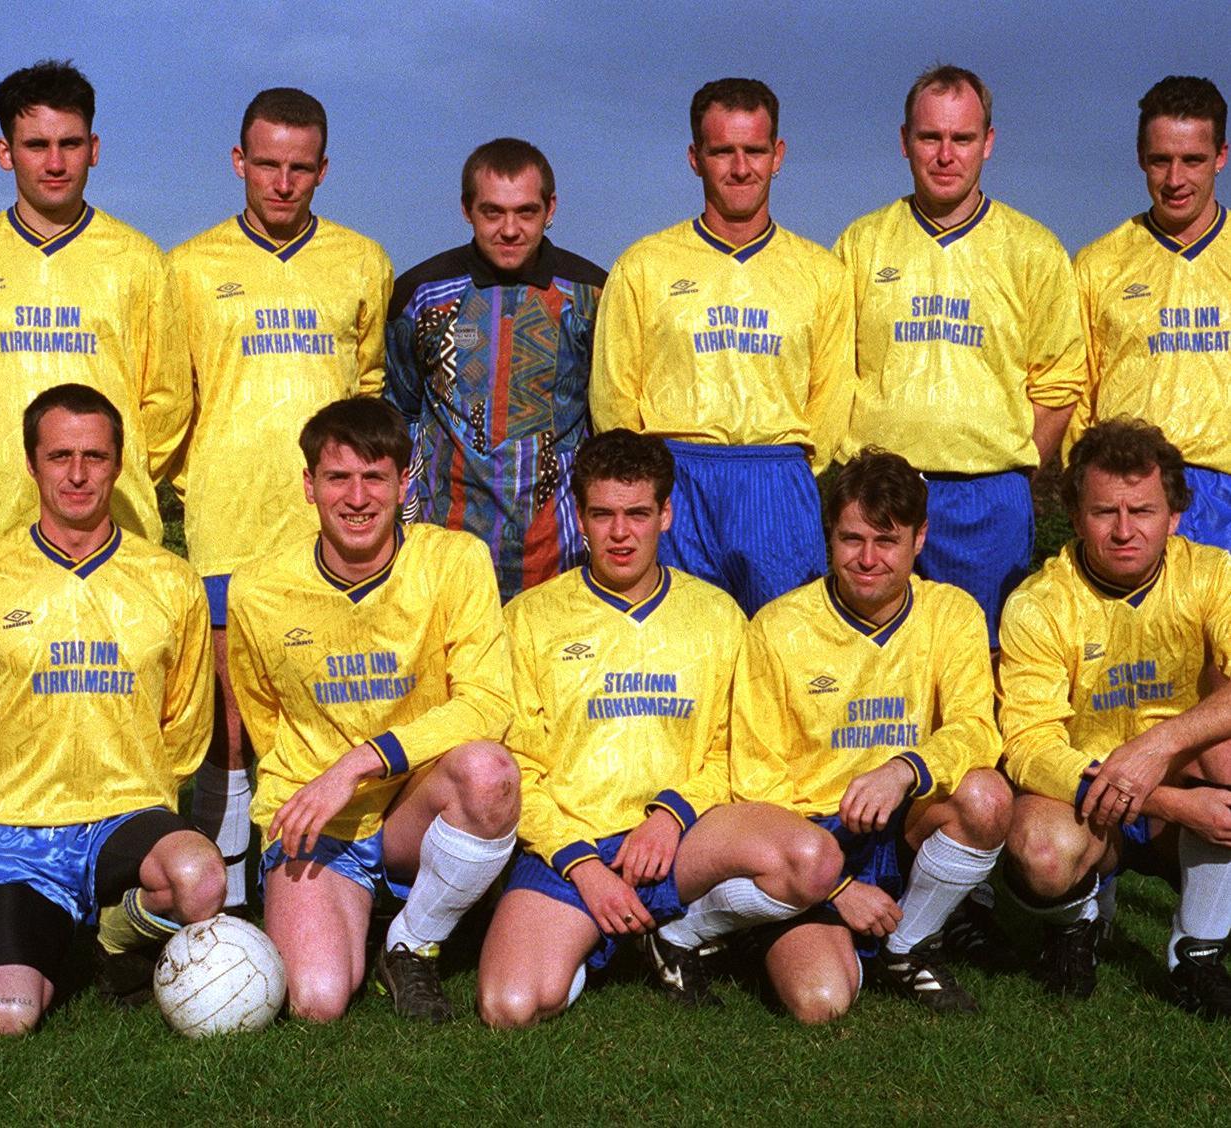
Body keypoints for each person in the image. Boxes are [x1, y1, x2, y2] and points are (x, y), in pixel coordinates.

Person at [476, 430, 842, 1026]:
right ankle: (605, 934)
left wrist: (672, 814)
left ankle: (688, 930)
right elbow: (520, 767)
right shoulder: (529, 619)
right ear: (581, 516)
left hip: (682, 842)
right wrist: (583, 867)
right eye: (604, 514)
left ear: (666, 514)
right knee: (510, 1007)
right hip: (574, 847)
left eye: (638, 514)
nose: (621, 533)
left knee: (810, 858)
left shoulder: (718, 615)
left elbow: (737, 751)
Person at [0, 384, 221, 1036]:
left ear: (118, 465)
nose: (78, 473)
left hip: (127, 815)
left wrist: (143, 786)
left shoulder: (169, 581)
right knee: (7, 1017)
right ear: (32, 463)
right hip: (13, 829)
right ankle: (14, 928)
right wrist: (3, 794)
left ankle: (112, 937)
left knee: (199, 881)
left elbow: (186, 723)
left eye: (95, 455)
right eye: (60, 455)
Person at [169, 88, 393, 913]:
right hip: (231, 526)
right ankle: (223, 907)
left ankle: (336, 890)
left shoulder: (363, 261)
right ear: (239, 162)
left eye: (301, 167)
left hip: (336, 538)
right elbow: (169, 400)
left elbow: (367, 390)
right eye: (267, 163)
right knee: (229, 731)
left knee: (336, 712)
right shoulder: (187, 267)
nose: (283, 181)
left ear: (323, 170)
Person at [227, 397, 516, 1023]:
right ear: (309, 486)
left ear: (403, 482)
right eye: (338, 477)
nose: (357, 497)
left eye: (374, 477)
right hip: (321, 819)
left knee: (490, 774)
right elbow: (266, 721)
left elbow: (489, 701)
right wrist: (312, 787)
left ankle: (411, 939)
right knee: (316, 1000)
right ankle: (355, 907)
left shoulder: (455, 561)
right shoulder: (258, 588)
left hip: (417, 805)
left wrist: (361, 762)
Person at [731, 448, 1012, 1021]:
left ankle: (909, 946)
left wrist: (904, 768)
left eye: (886, 542)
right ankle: (774, 921)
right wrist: (832, 884)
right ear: (828, 536)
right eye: (851, 539)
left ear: (920, 538)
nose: (866, 559)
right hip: (813, 837)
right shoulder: (778, 626)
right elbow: (756, 781)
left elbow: (976, 728)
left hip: (907, 819)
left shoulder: (952, 613)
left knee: (986, 798)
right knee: (820, 1003)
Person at [835, 64, 1085, 647]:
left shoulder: (1033, 249)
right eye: (930, 137)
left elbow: (1060, 380)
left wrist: (1016, 476)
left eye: (962, 138)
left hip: (987, 495)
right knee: (879, 660)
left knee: (986, 658)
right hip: (880, 494)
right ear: (905, 141)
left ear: (988, 143)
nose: (946, 154)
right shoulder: (861, 244)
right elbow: (832, 371)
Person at [591, 77, 854, 618]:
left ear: (777, 155)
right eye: (722, 151)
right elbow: (614, 397)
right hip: (674, 476)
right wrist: (646, 489)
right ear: (695, 158)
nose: (740, 168)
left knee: (783, 650)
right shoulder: (644, 265)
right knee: (677, 650)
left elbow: (831, 399)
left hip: (777, 477)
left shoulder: (822, 274)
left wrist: (799, 476)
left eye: (754, 150)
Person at [999, 418, 1231, 1017]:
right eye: (1105, 512)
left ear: (1174, 515)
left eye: (1143, 511)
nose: (1124, 530)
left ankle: (1197, 950)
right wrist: (1162, 798)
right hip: (1085, 803)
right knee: (1040, 852)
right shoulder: (1038, 604)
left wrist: (1158, 748)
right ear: (1075, 518)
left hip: (1184, 780)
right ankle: (1076, 923)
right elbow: (1027, 745)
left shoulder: (1212, 574)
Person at [0, 59, 187, 561]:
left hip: (114, 526)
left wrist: (105, 474)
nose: (55, 162)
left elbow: (168, 400)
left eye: (70, 143)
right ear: (5, 152)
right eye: (36, 145)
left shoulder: (139, 260)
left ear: (94, 149)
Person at [386, 138, 608, 602]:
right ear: (467, 209)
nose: (510, 229)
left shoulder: (593, 294)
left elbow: (607, 419)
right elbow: (400, 415)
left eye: (526, 212)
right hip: (445, 551)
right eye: (493, 212)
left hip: (561, 553)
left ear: (551, 208)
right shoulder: (420, 293)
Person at [1074, 77, 1231, 550]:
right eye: (1161, 160)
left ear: (1221, 156)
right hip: (1132, 497)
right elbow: (1079, 396)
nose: (1176, 179)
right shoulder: (1099, 264)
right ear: (1141, 158)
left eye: (1193, 160)